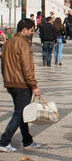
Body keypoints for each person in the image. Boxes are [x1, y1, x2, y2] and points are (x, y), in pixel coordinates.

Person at [0, 18, 41, 152]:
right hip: (22, 84)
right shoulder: (23, 43)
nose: (32, 33)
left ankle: (27, 140)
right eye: (31, 31)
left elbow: (3, 64)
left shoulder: (8, 43)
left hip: (10, 83)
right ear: (24, 30)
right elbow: (27, 67)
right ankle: (4, 141)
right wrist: (34, 85)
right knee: (19, 113)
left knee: (23, 112)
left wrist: (6, 80)